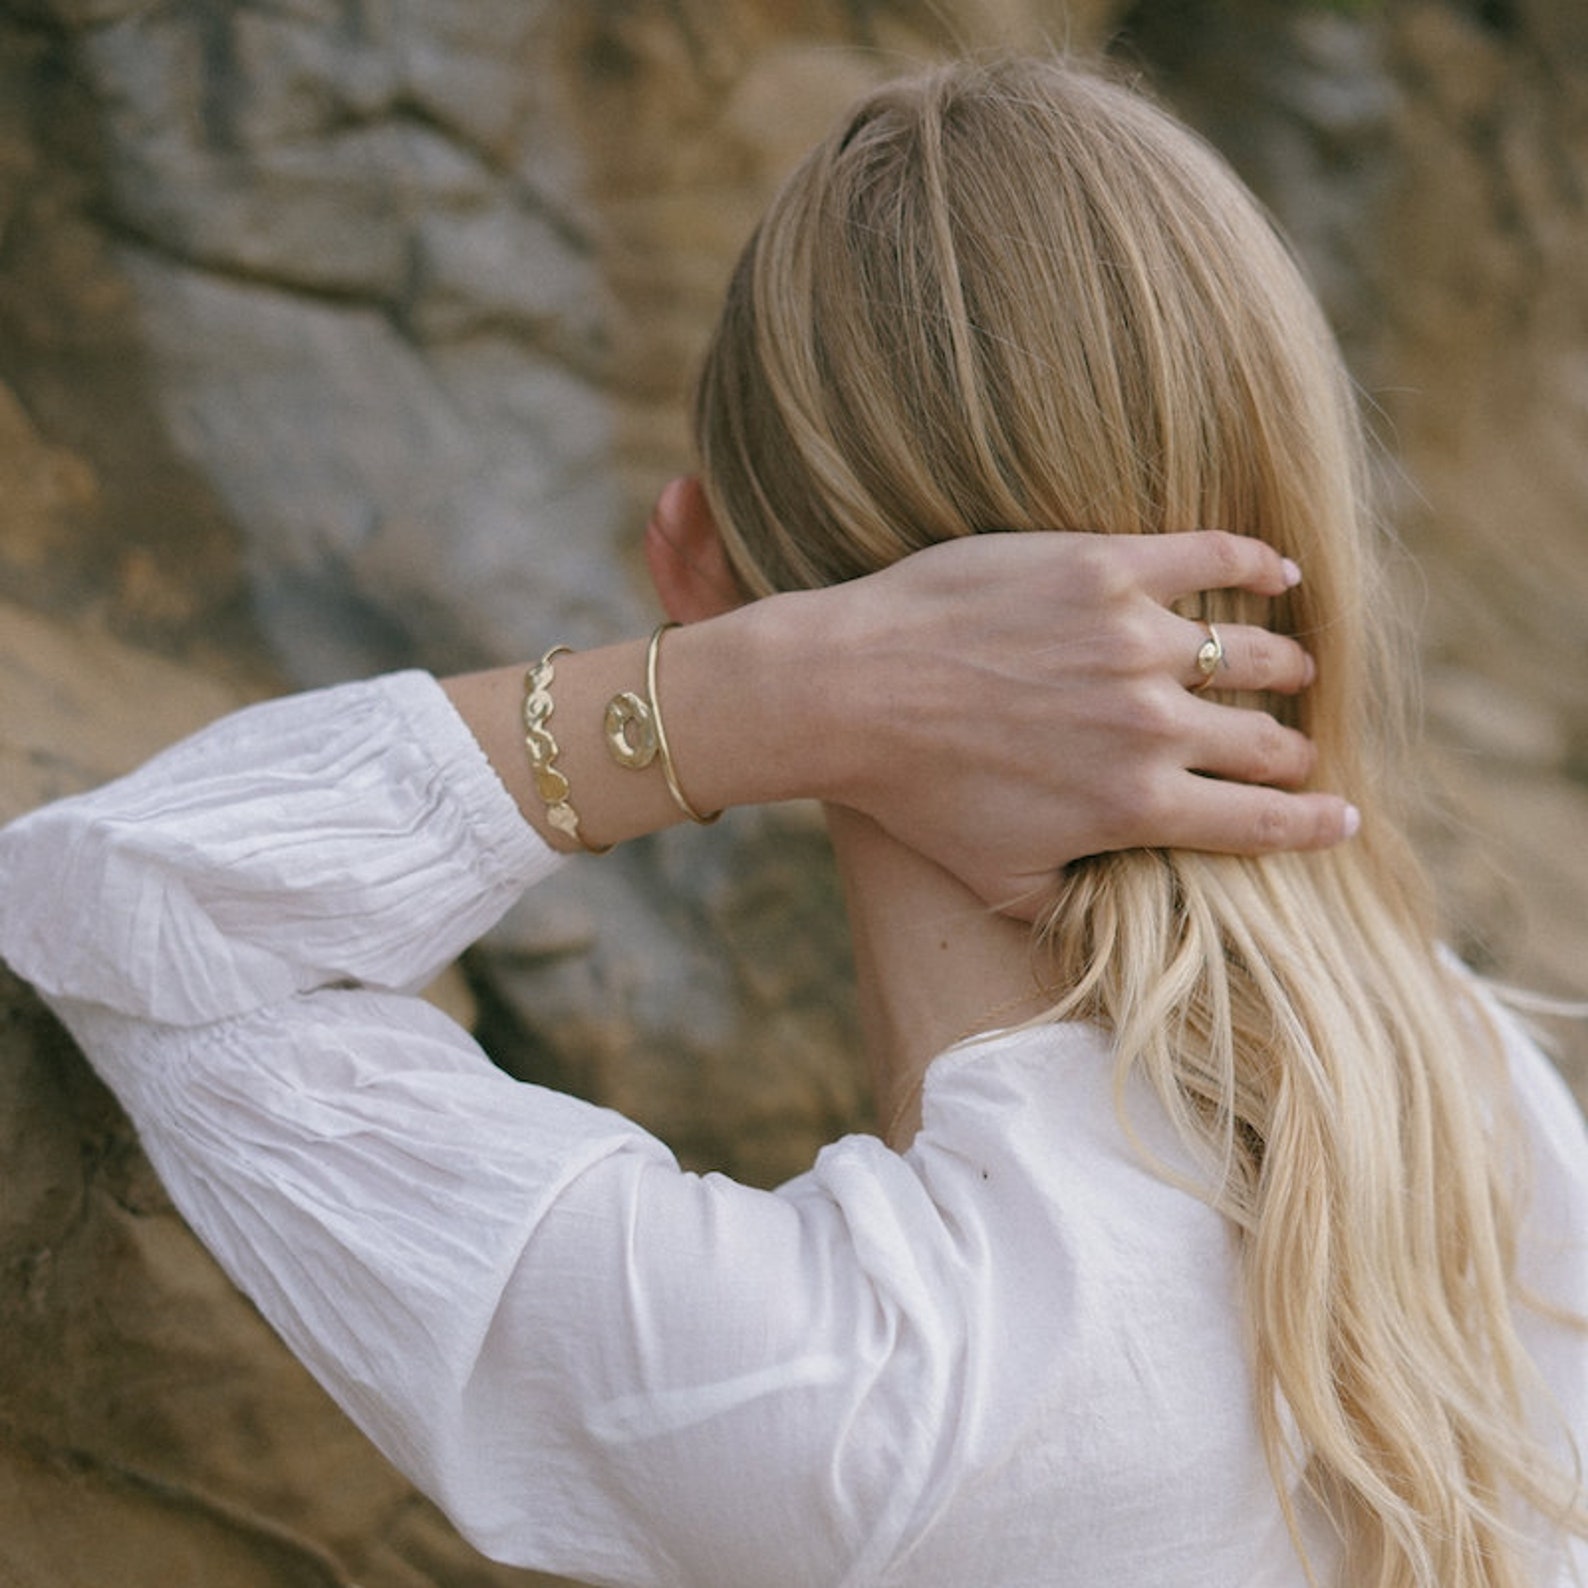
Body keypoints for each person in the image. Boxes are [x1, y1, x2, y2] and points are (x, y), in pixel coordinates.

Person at [0, 53, 1582, 1588]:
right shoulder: (1492, 1105)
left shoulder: (859, 1400)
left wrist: (730, 702)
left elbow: (123, 899)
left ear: (708, 574)